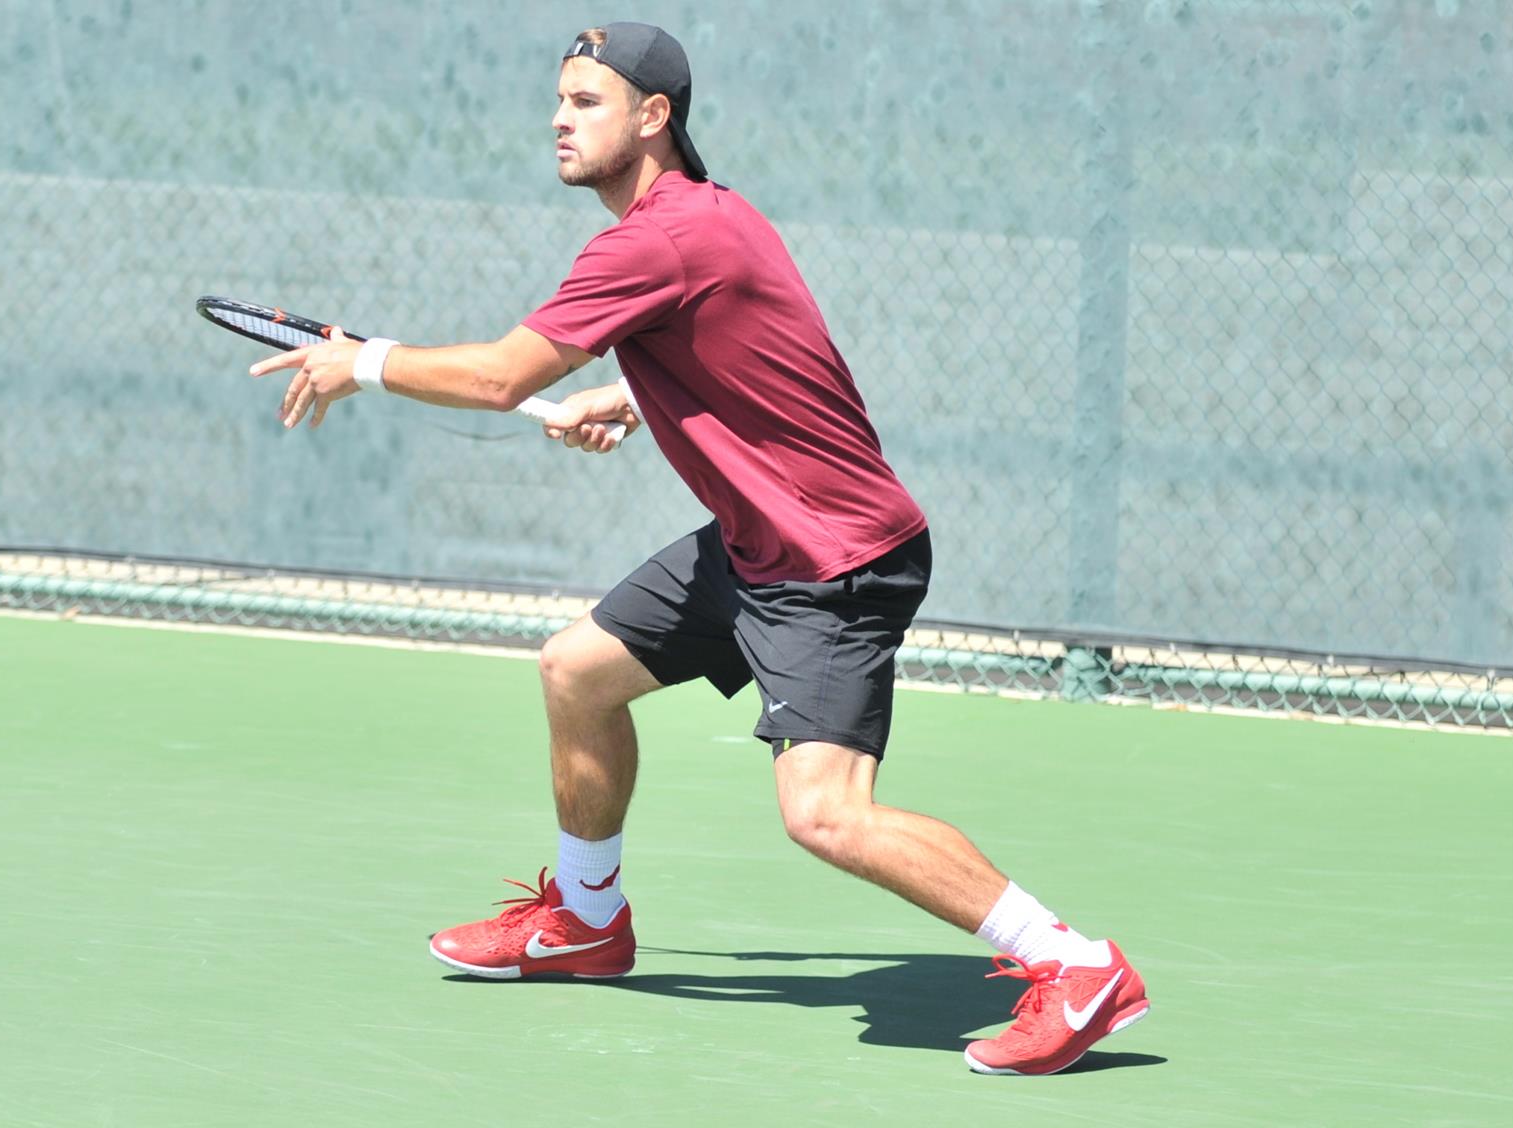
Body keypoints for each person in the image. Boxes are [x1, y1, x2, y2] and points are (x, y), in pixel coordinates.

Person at [247, 22, 1147, 1076]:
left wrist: (366, 363)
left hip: (831, 562)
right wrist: (630, 395)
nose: (558, 118)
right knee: (575, 672)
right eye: (559, 99)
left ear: (652, 117)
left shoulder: (653, 237)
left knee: (824, 817)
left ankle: (1073, 966)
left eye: (585, 101)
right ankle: (587, 921)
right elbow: (757, 346)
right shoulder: (708, 219)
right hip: (755, 544)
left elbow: (498, 378)